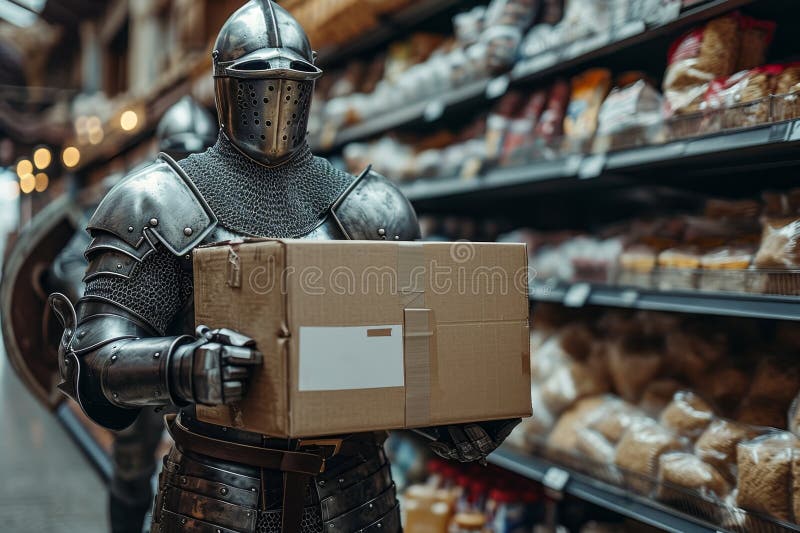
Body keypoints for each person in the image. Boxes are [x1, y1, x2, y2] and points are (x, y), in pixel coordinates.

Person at [49, 2, 519, 532]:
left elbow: (408, 355)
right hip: (217, 494)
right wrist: (180, 365)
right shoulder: (157, 201)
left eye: (291, 78)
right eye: (256, 78)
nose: (274, 97)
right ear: (225, 84)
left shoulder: (374, 210)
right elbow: (91, 357)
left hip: (356, 493)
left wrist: (461, 408)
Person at [47, 96, 217, 533]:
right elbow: (67, 264)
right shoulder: (135, 193)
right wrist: (108, 306)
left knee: (211, 473)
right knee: (132, 465)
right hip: (139, 344)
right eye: (180, 155)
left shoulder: (222, 197)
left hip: (203, 346)